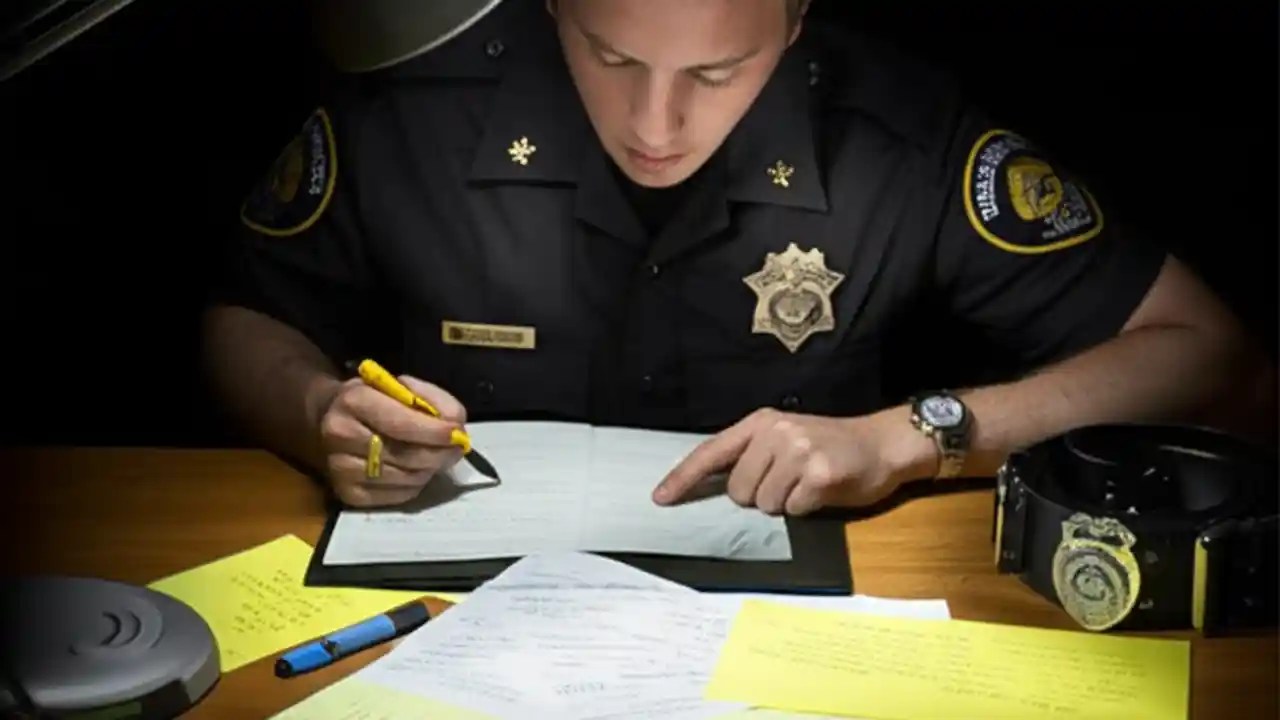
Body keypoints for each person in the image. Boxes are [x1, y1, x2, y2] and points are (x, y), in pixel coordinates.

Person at [202, 0, 1274, 515]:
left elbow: (1210, 357)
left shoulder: (896, 132)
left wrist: (914, 437)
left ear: (795, 18)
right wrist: (313, 414)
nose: (655, 123)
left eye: (717, 72)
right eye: (610, 56)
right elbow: (245, 312)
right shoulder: (409, 110)